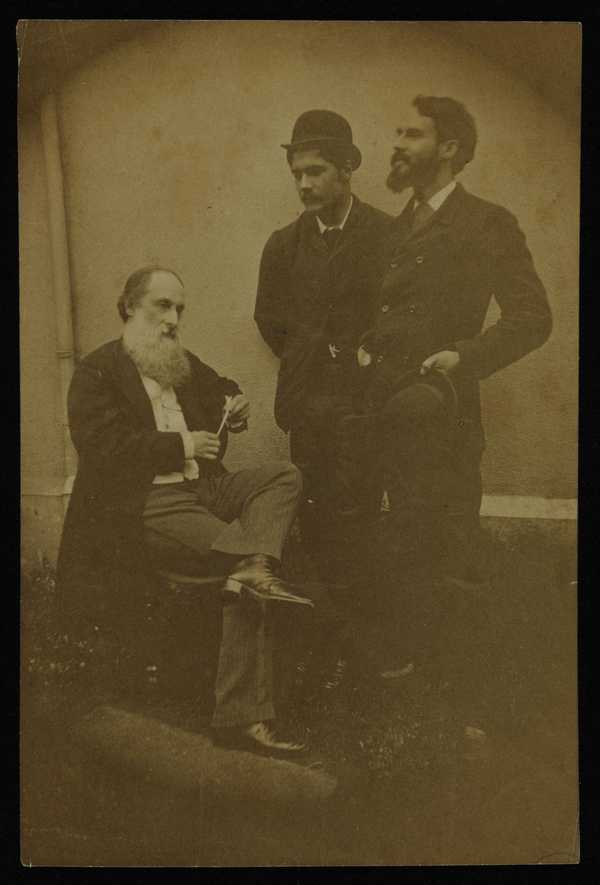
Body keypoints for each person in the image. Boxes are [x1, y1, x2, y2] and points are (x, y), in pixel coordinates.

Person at [342, 96, 553, 736]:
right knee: (395, 546)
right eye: (397, 132)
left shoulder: (487, 223)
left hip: (443, 416)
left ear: (450, 148)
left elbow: (532, 318)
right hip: (384, 411)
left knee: (450, 551)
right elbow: (380, 314)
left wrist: (465, 356)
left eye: (412, 134)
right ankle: (402, 697)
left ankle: (469, 708)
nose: (397, 145)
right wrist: (363, 350)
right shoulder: (394, 227)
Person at [56, 265, 314, 755]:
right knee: (243, 566)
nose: (173, 319)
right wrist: (182, 445)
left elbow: (221, 385)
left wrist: (235, 401)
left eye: (179, 309)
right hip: (148, 504)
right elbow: (103, 446)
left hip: (203, 489)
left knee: (284, 476)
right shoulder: (97, 372)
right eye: (162, 306)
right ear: (130, 306)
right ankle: (241, 718)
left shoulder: (179, 361)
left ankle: (256, 564)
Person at [254, 110, 392, 584]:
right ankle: (319, 610)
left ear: (347, 169)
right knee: (312, 512)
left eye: (315, 171)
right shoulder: (284, 246)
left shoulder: (388, 237)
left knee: (360, 510)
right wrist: (310, 355)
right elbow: (269, 320)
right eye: (297, 174)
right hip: (309, 404)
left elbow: (400, 319)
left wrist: (360, 359)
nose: (304, 185)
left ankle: (358, 611)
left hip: (366, 402)